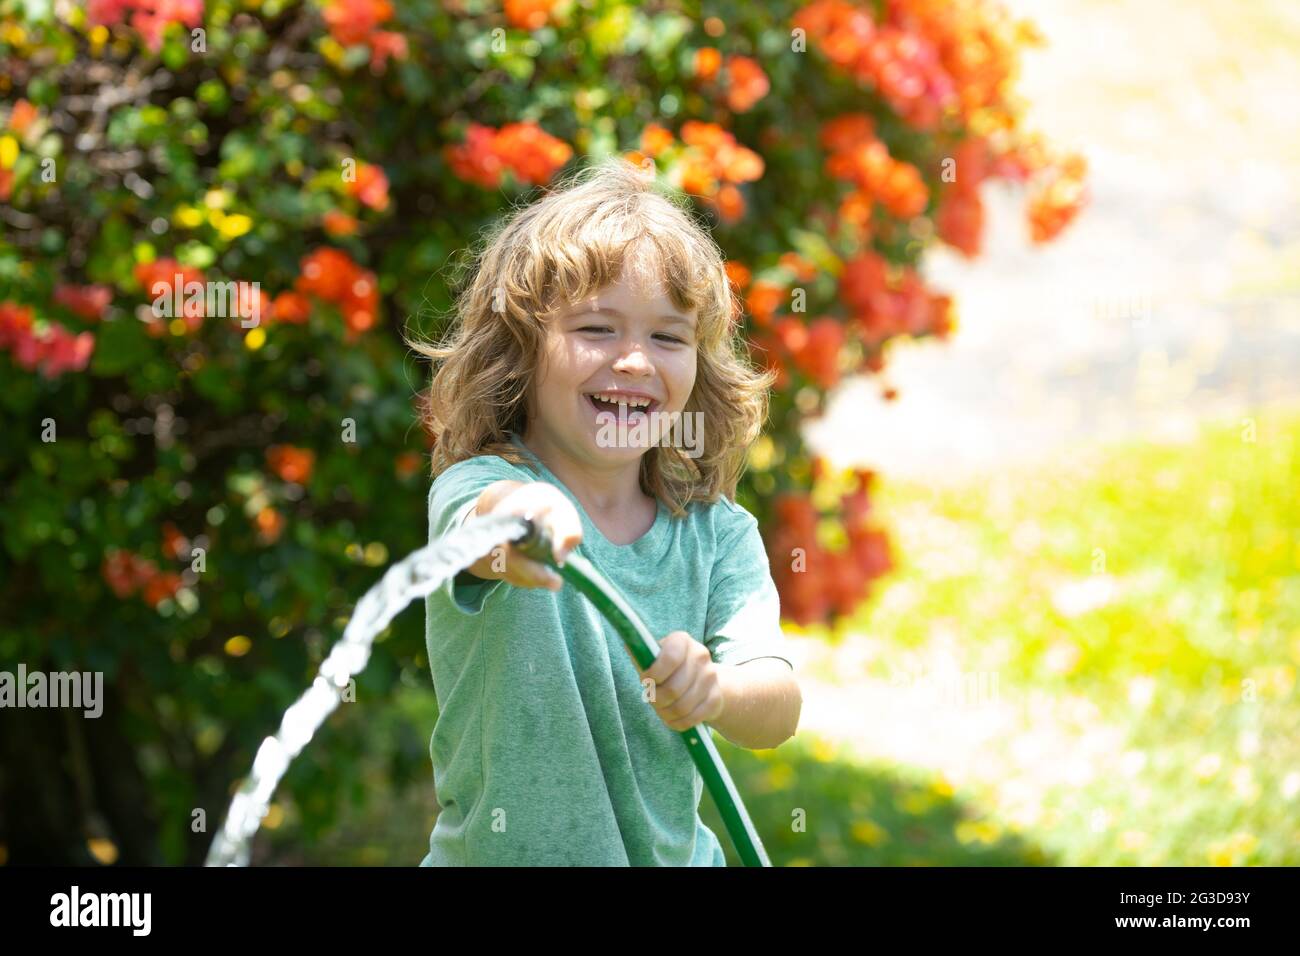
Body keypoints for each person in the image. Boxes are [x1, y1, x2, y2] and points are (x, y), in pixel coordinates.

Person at [408, 155, 801, 866]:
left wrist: (715, 691)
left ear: (697, 370)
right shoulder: (476, 486)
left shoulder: (717, 535)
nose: (632, 361)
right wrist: (523, 520)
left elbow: (778, 708)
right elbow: (481, 534)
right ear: (520, 352)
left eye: (667, 337)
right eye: (596, 329)